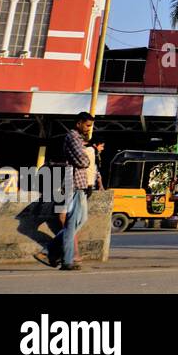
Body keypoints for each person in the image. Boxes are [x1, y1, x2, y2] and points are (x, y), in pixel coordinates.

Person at [37, 112, 103, 270]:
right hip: (74, 183)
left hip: (79, 184)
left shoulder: (79, 139)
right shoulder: (73, 137)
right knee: (72, 223)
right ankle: (64, 259)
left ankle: (50, 251)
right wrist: (87, 156)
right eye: (87, 125)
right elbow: (83, 161)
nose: (89, 129)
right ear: (79, 123)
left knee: (80, 221)